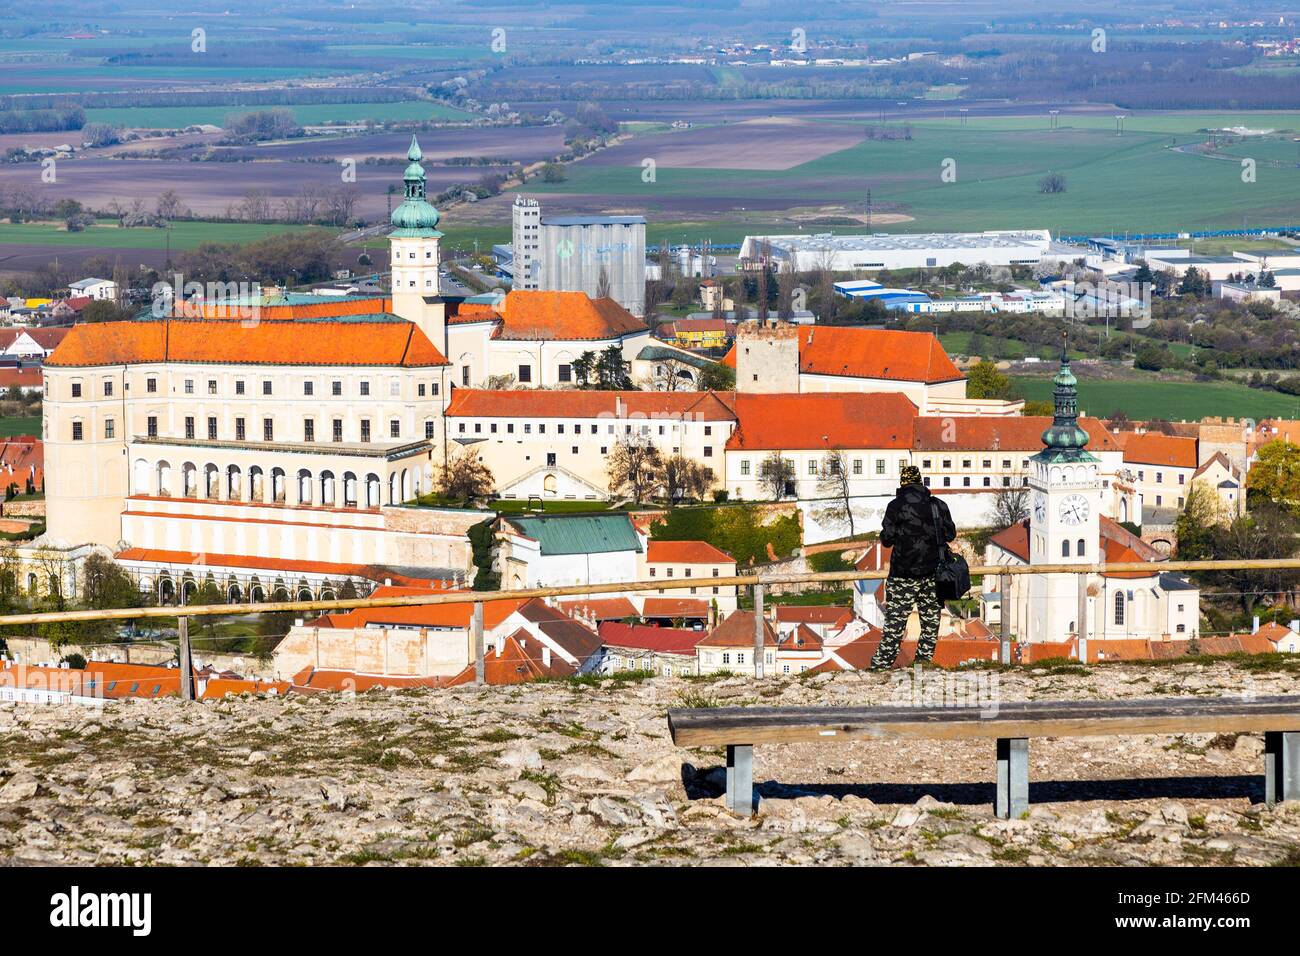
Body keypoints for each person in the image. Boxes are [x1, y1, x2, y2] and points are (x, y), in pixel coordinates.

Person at [871, 464, 955, 670]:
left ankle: (880, 667)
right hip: (932, 576)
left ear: (903, 482)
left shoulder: (895, 506)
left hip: (903, 575)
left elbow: (887, 540)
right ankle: (922, 664)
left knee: (894, 625)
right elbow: (950, 534)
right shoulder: (938, 505)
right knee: (930, 624)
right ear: (920, 482)